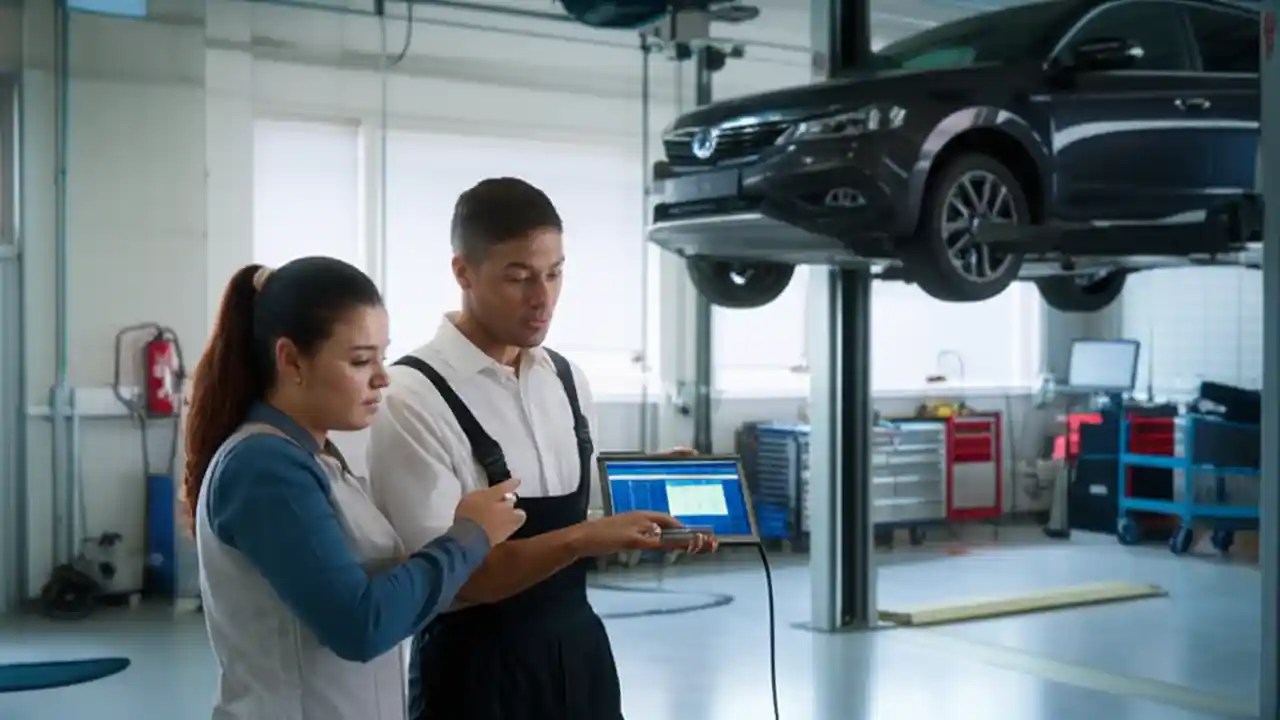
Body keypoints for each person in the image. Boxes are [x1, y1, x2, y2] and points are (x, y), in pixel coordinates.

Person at [366, 177, 715, 720]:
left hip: (580, 658)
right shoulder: (412, 397)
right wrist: (583, 539)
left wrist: (642, 503)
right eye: (519, 277)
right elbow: (454, 580)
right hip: (475, 676)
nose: (542, 298)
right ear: (462, 272)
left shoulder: (568, 380)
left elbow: (570, 514)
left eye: (555, 274)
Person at [183, 256, 527, 720]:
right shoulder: (264, 467)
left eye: (382, 356)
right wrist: (469, 534)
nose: (382, 377)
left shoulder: (317, 459)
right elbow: (360, 625)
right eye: (361, 360)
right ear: (290, 360)